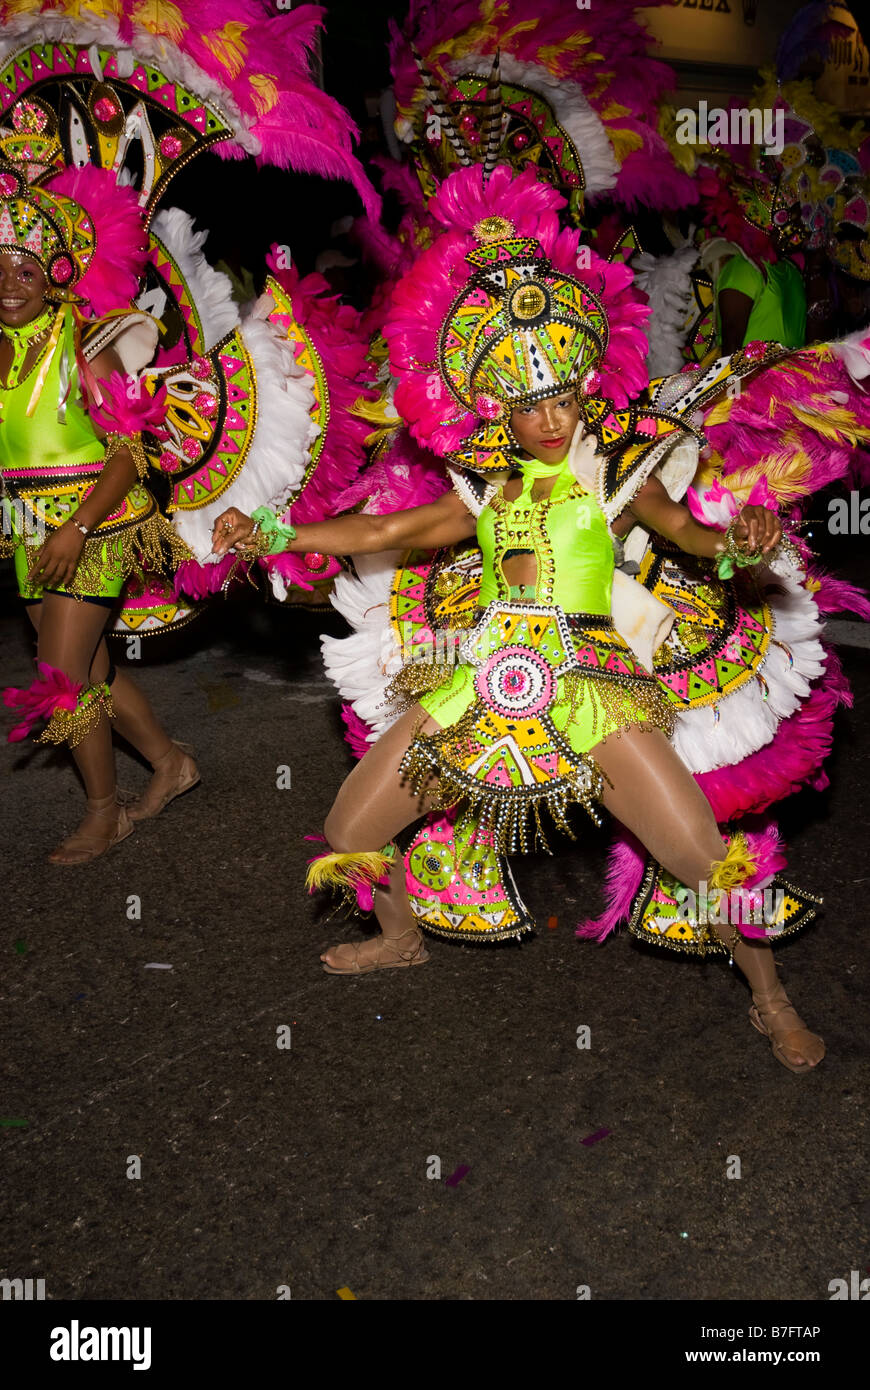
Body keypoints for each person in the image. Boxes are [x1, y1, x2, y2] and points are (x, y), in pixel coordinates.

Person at [212, 355, 824, 1073]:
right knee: (352, 827)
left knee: (705, 861)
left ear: (583, 395)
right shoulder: (486, 492)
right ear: (500, 410)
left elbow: (692, 538)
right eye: (531, 407)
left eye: (562, 400)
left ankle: (773, 997)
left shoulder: (617, 477)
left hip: (592, 685)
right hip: (482, 679)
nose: (551, 421)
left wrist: (741, 541)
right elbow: (380, 534)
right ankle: (400, 937)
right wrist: (276, 535)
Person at [0, 165, 198, 864]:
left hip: (96, 526)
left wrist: (76, 526)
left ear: (54, 275)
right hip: (24, 530)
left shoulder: (86, 345)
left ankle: (103, 813)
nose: (8, 286)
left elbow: (129, 453)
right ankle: (170, 763)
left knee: (60, 677)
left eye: (25, 271)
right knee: (91, 669)